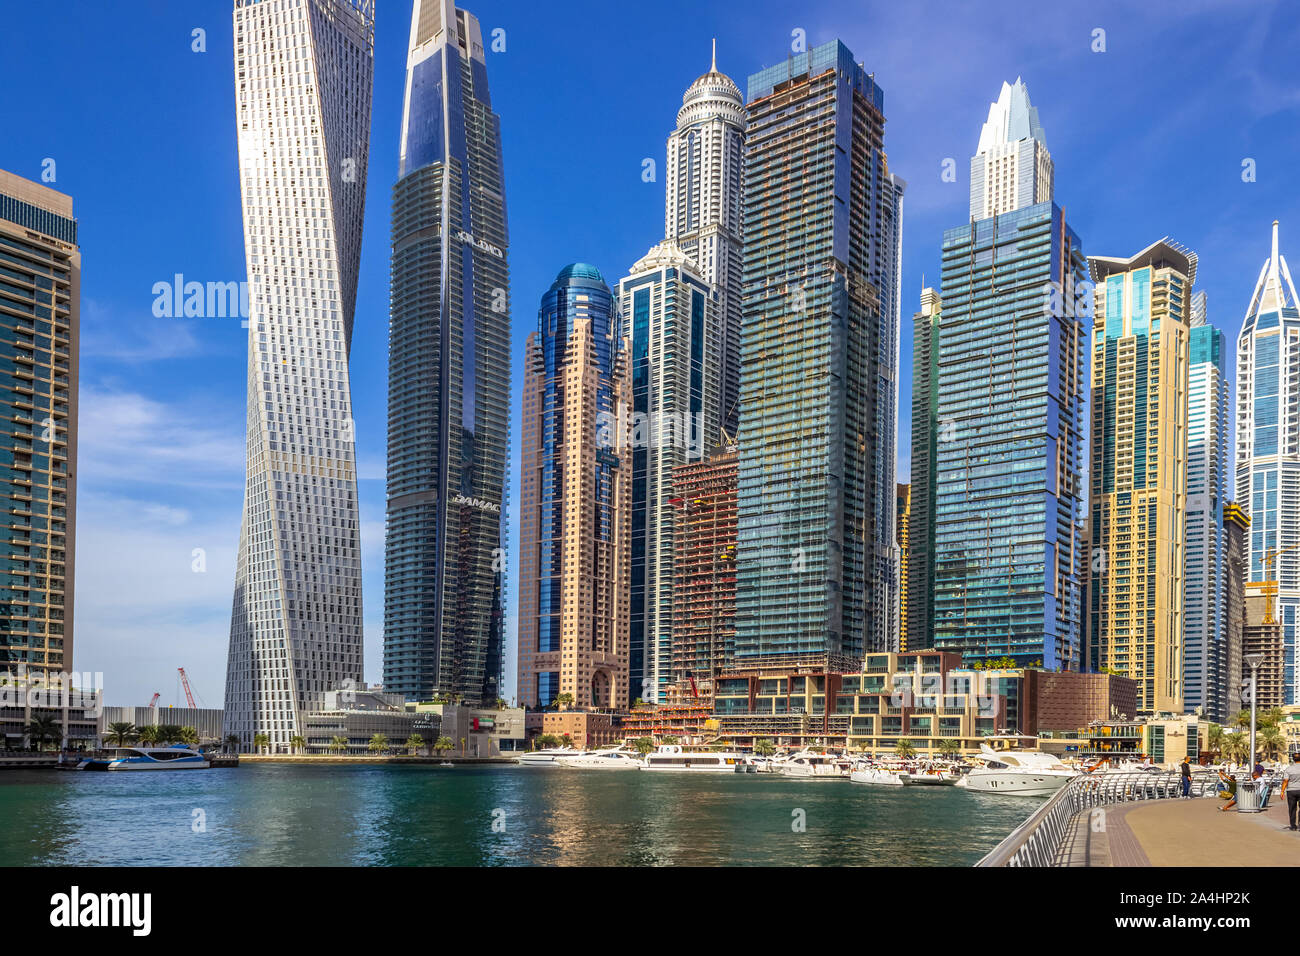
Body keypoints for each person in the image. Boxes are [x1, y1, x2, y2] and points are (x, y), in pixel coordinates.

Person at [1282, 752, 1300, 831]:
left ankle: (1293, 825)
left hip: (1291, 790)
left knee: (1292, 808)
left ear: (1293, 759)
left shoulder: (1288, 769)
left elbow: (1285, 781)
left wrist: (1282, 791)